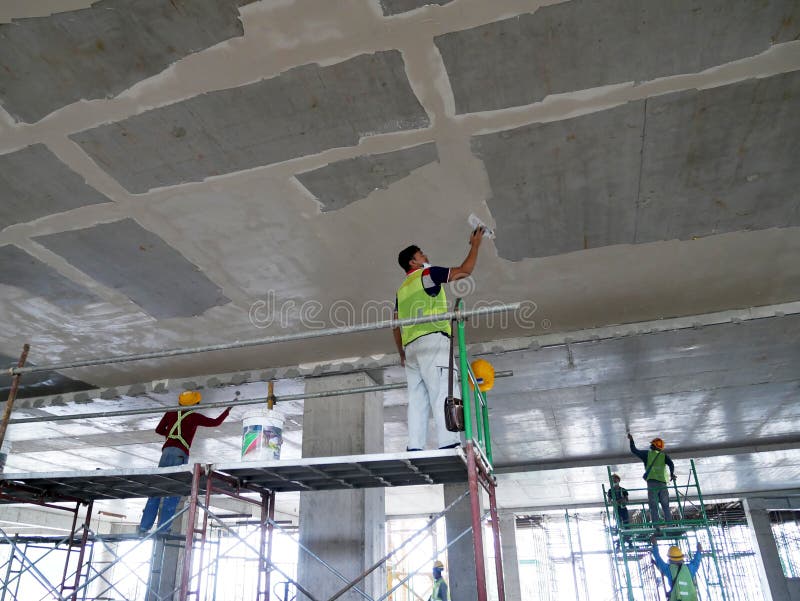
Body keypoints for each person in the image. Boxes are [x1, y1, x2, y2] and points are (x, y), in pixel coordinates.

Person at [393, 227, 485, 451]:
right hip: (433, 342)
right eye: (421, 254)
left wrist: (402, 353)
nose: (426, 256)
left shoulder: (401, 290)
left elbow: (395, 326)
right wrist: (475, 245)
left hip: (411, 349)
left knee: (417, 399)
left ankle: (414, 447)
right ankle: (448, 443)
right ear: (413, 263)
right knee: (443, 390)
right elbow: (464, 271)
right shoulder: (427, 274)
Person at [139, 392, 232, 534]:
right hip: (179, 454)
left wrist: (170, 435)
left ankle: (144, 526)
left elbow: (158, 429)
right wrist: (228, 410)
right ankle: (163, 529)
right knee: (173, 490)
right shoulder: (194, 417)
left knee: (157, 489)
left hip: (165, 453)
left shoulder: (171, 413)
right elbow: (215, 422)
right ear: (195, 404)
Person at [628, 432, 675, 524]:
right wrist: (672, 474)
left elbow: (634, 450)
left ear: (652, 445)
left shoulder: (647, 454)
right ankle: (670, 525)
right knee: (665, 505)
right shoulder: (663, 456)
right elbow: (671, 464)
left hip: (652, 483)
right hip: (663, 483)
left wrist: (631, 440)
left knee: (653, 505)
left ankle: (656, 525)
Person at [651, 534, 703, 600]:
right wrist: (699, 551)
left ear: (670, 559)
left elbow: (658, 560)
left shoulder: (669, 570)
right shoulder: (689, 569)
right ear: (681, 557)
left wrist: (654, 545)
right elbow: (696, 562)